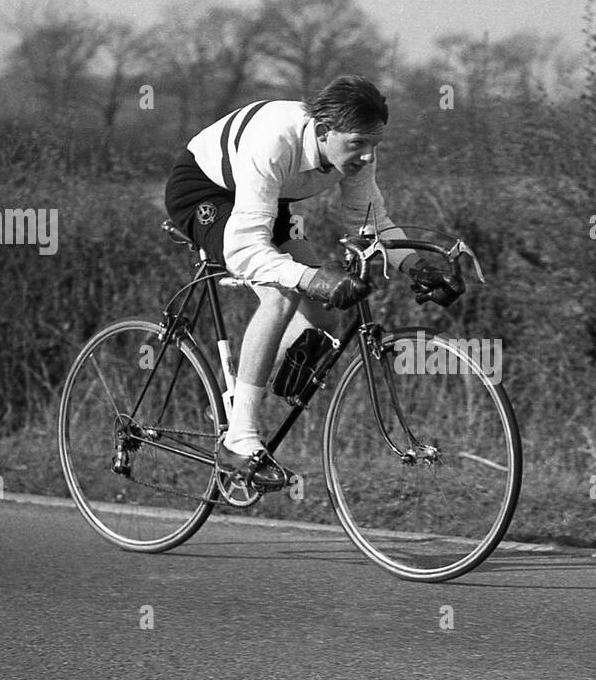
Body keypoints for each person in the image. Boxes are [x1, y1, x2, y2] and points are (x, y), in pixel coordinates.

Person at [164, 75, 463, 491]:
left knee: (322, 316)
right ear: (324, 132)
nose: (367, 155)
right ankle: (238, 439)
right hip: (205, 190)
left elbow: (369, 223)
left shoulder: (356, 154)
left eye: (375, 144)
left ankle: (237, 407)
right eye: (358, 143)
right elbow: (245, 251)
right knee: (283, 292)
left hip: (264, 197)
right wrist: (310, 277)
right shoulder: (274, 144)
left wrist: (417, 266)